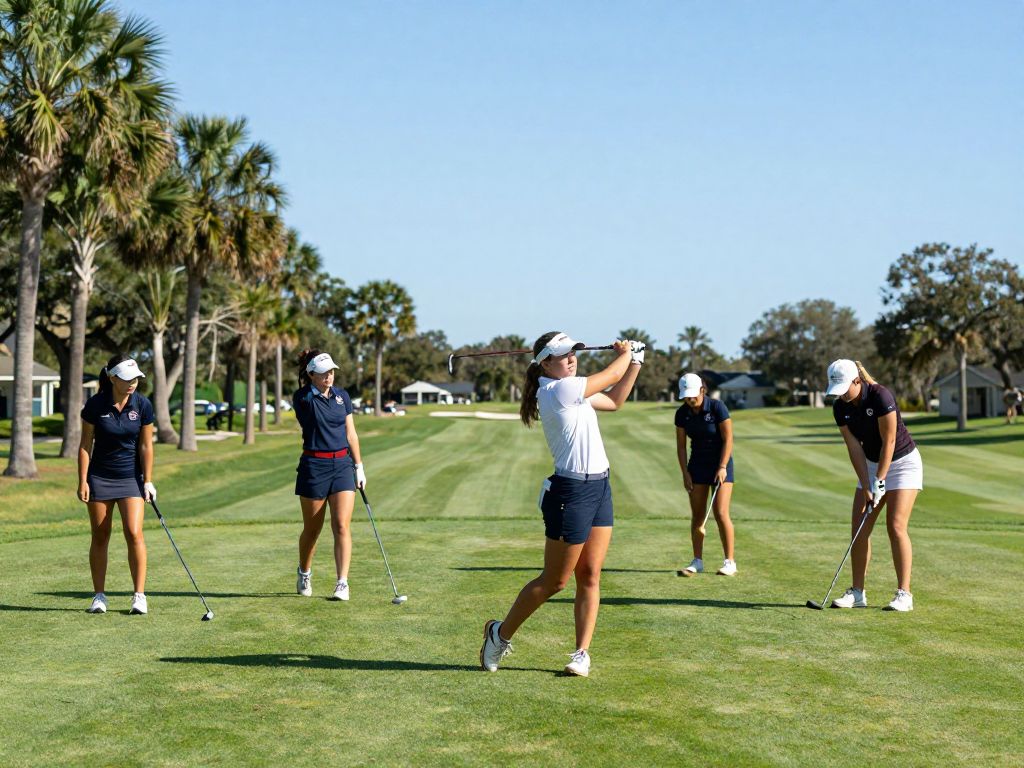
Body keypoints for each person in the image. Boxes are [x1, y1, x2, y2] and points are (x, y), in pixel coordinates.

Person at [479, 332, 643, 677]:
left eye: (574, 354)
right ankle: (500, 633)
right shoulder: (558, 390)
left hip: (600, 487)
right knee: (555, 581)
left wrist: (635, 364)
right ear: (545, 364)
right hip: (571, 494)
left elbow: (614, 401)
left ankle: (581, 653)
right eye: (564, 355)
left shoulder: (573, 390)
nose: (571, 359)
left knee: (591, 574)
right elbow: (611, 375)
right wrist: (626, 353)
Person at [826, 359, 923, 612]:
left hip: (902, 463)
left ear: (857, 381)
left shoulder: (881, 396)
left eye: (845, 388)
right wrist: (868, 484)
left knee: (895, 525)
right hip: (870, 464)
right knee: (859, 527)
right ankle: (857, 592)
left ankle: (904, 594)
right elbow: (854, 448)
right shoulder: (840, 408)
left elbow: (889, 441)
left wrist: (880, 480)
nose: (842, 395)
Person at [77, 355, 157, 615]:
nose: (133, 383)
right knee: (100, 535)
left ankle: (139, 596)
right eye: (126, 378)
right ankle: (99, 596)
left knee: (134, 533)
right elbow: (85, 445)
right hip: (100, 477)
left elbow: (146, 446)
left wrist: (148, 480)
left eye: (135, 378)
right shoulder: (95, 405)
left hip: (130, 479)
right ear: (112, 378)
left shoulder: (142, 405)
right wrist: (83, 481)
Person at [292, 349, 365, 601]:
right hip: (314, 467)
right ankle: (304, 571)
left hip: (342, 466)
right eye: (323, 373)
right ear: (312, 374)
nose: (329, 377)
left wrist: (359, 466)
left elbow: (350, 433)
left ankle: (342, 582)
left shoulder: (342, 396)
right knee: (312, 530)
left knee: (342, 525)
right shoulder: (303, 398)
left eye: (332, 371)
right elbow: (314, 418)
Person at [674, 373, 737, 577]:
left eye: (692, 395)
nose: (689, 400)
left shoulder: (717, 407)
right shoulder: (682, 414)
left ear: (703, 390)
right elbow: (681, 447)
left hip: (721, 464)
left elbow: (728, 439)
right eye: (686, 396)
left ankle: (730, 561)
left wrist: (722, 466)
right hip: (697, 465)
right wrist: (685, 473)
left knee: (720, 512)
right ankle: (697, 561)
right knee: (698, 516)